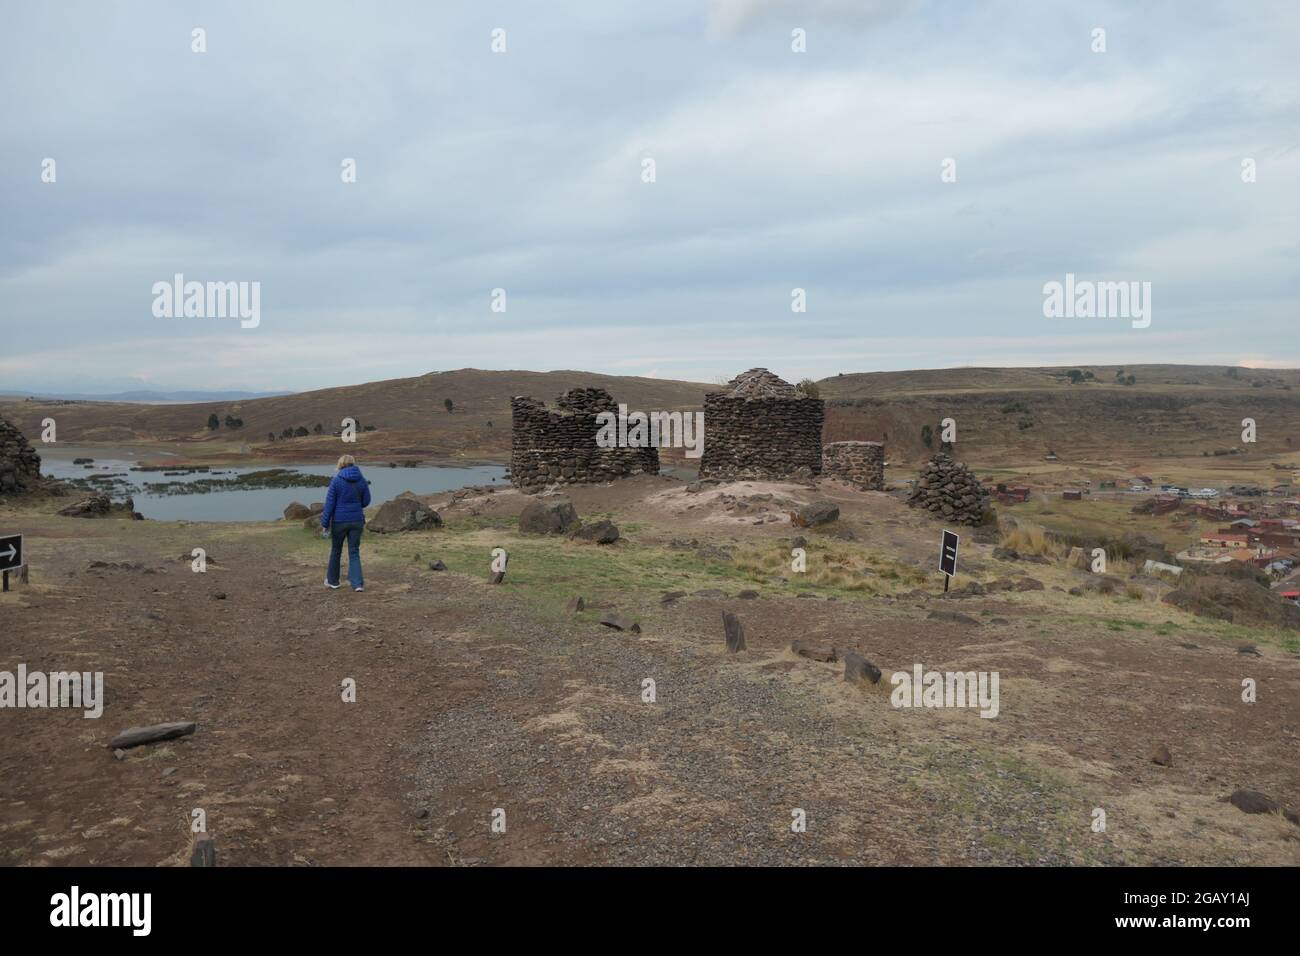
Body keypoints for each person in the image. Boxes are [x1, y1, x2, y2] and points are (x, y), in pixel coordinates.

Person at [321, 454, 371, 592]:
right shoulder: (361, 480)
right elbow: (366, 501)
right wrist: (355, 505)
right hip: (357, 520)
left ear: (341, 464)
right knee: (354, 551)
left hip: (339, 521)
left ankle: (333, 582)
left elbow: (329, 504)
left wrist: (325, 523)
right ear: (353, 464)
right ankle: (357, 584)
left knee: (336, 551)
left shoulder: (336, 481)